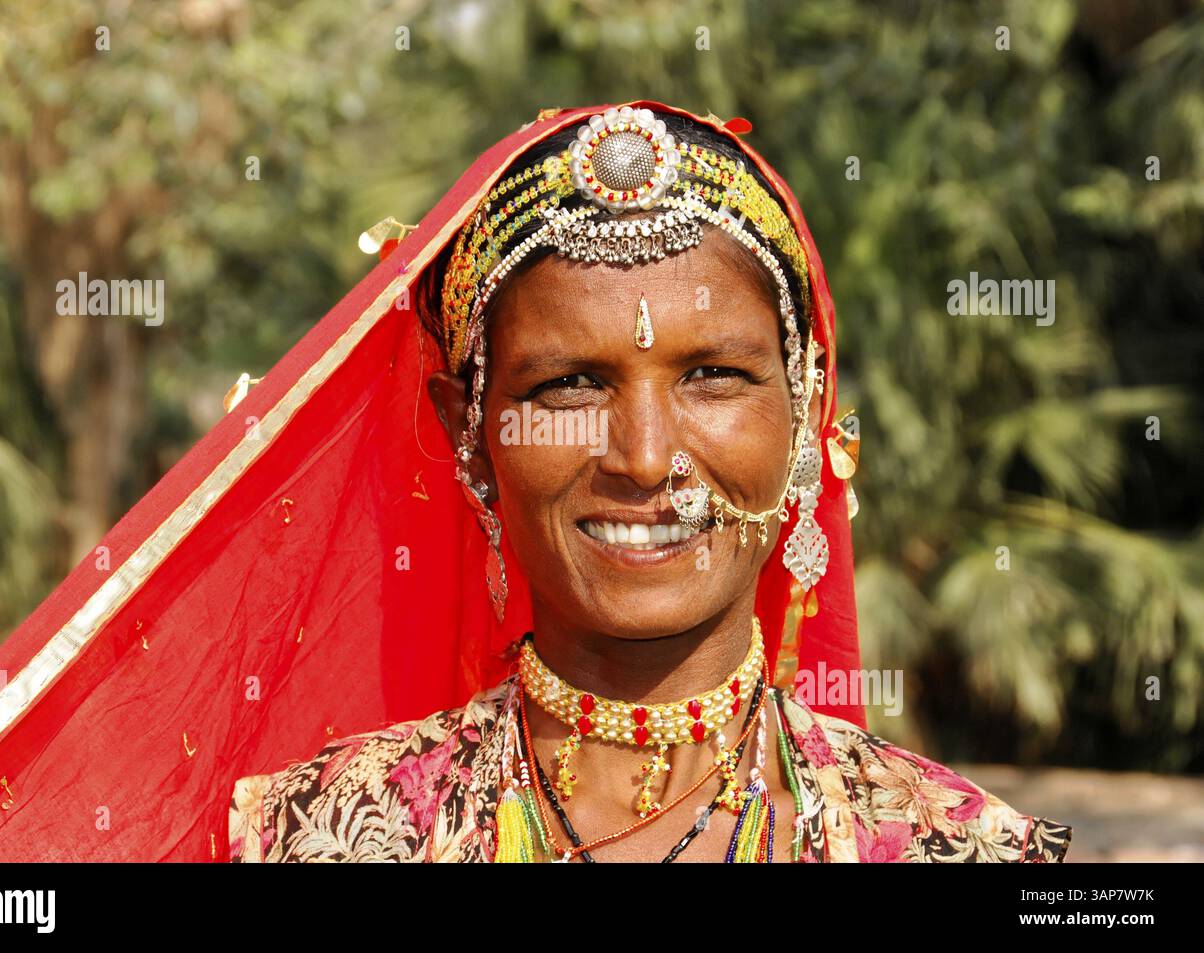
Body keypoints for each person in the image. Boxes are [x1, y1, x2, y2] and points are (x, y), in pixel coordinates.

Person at [226, 102, 1072, 863]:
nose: (641, 457)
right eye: (568, 385)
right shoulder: (327, 834)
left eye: (713, 374)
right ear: (470, 435)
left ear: (805, 404)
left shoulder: (953, 847)